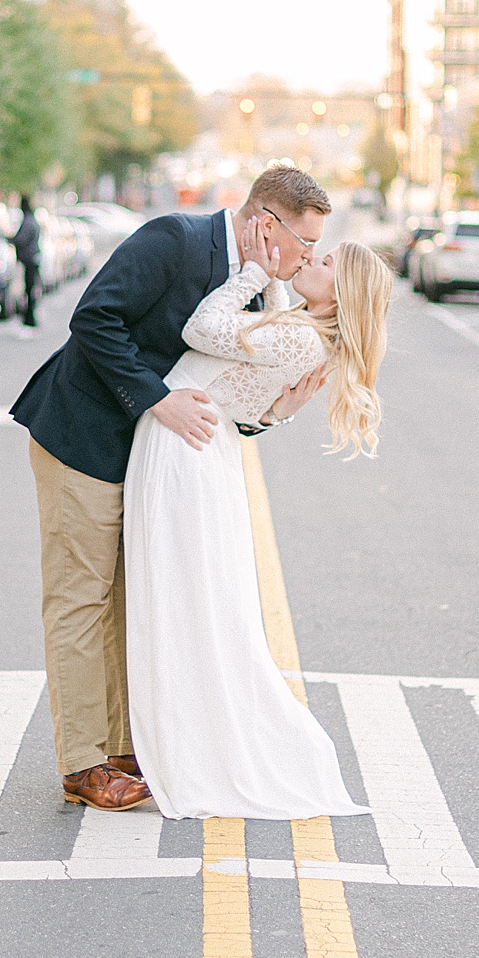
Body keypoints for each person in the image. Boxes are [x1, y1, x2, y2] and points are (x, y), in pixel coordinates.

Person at [9, 165, 332, 811]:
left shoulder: (259, 287)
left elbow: (220, 384)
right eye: (305, 242)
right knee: (83, 598)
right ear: (266, 225)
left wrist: (266, 413)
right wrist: (157, 400)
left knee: (131, 599)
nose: (308, 258)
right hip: (83, 434)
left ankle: (125, 746)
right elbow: (93, 318)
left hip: (146, 457)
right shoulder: (175, 240)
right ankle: (83, 762)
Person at [125, 232, 394, 819]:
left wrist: (250, 273)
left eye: (323, 262)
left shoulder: (300, 340)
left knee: (182, 599)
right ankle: (180, 735)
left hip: (185, 449)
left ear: (340, 291)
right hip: (193, 443)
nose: (309, 261)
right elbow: (243, 397)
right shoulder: (297, 328)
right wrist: (275, 409)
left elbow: (201, 333)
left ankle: (190, 744)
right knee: (185, 597)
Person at [11, 195, 43, 328]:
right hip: (33, 259)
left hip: (29, 260)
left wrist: (10, 239)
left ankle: (29, 317)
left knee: (29, 290)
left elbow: (21, 239)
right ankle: (29, 316)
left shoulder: (28, 221)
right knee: (31, 289)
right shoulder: (32, 220)